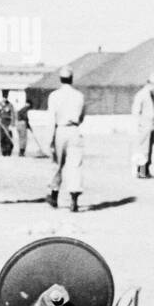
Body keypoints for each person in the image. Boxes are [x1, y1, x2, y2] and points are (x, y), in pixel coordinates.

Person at [45, 67, 86, 211]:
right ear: (72, 79)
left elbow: (51, 119)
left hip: (60, 130)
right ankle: (74, 199)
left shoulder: (54, 96)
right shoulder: (79, 96)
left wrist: (50, 139)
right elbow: (81, 117)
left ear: (60, 79)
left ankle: (54, 195)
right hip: (75, 130)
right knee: (75, 165)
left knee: (57, 164)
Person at [131, 73, 154, 178]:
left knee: (149, 149)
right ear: (150, 83)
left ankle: (146, 170)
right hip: (144, 125)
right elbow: (136, 111)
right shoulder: (141, 94)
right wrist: (139, 125)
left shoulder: (151, 94)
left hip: (151, 125)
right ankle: (141, 171)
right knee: (143, 149)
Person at [0, 90, 15, 156]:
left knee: (8, 138)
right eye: (4, 97)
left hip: (8, 123)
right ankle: (3, 151)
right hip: (1, 123)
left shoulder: (10, 105)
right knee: (2, 138)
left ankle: (8, 151)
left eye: (6, 96)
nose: (5, 98)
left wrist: (12, 125)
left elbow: (13, 115)